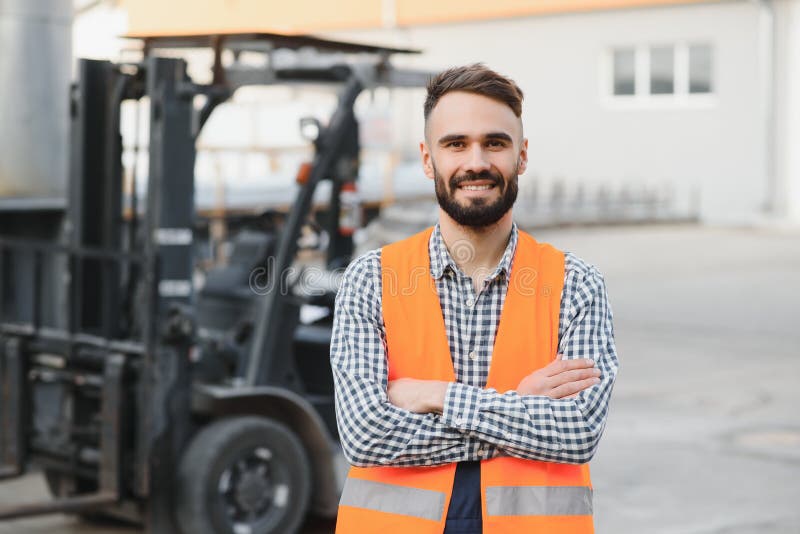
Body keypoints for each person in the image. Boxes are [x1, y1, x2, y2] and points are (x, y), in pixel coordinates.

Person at [330, 64, 618, 534]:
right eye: (456, 144)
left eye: (495, 143)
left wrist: (434, 395)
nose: (477, 162)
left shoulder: (576, 283)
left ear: (522, 156)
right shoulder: (371, 280)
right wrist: (518, 409)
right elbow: (367, 437)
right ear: (428, 159)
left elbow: (576, 432)